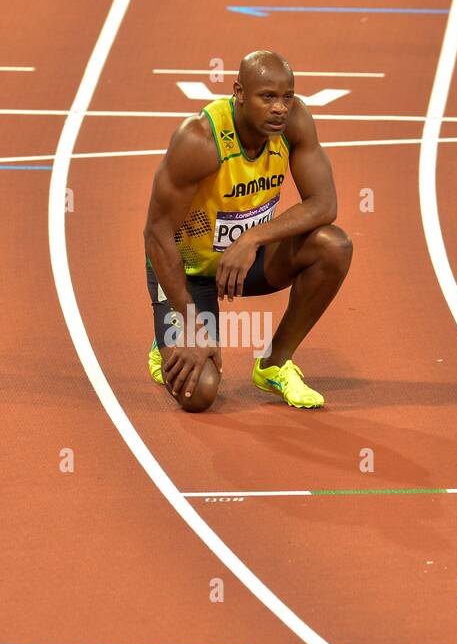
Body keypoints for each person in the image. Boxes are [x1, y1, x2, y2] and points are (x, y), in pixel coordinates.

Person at [142, 49, 352, 412]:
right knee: (200, 393)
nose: (280, 108)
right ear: (239, 93)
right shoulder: (200, 140)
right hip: (189, 270)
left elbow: (324, 204)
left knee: (333, 246)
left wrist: (252, 238)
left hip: (246, 261)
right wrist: (191, 324)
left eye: (287, 97)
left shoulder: (295, 123)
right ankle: (170, 334)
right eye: (267, 97)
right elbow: (156, 235)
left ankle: (274, 364)